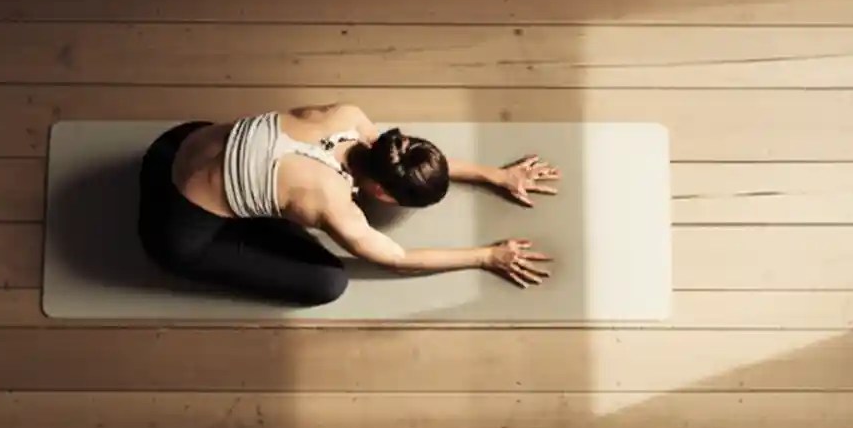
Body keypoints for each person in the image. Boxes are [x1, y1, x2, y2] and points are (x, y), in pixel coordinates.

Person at [137, 103, 560, 306]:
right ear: (381, 193)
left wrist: (497, 174)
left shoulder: (347, 116)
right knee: (325, 283)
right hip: (175, 229)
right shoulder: (333, 206)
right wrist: (487, 256)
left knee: (273, 192)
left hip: (178, 141)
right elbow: (398, 258)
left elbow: (400, 160)